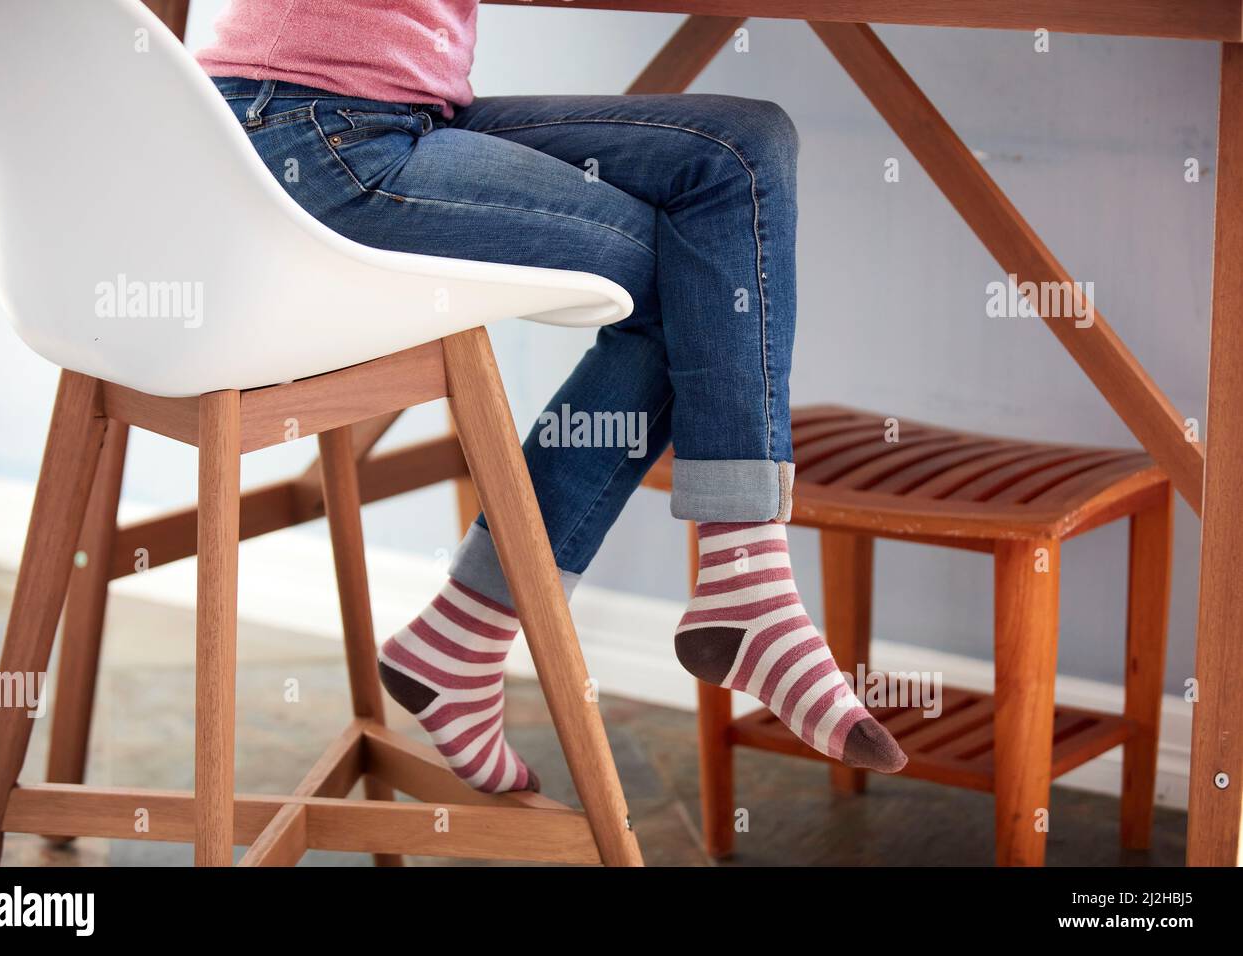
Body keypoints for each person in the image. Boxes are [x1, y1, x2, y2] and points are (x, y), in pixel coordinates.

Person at [198, 0, 907, 793]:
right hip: (309, 130)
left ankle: (469, 637)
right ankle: (739, 588)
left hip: (387, 118)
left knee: (740, 151)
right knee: (702, 277)